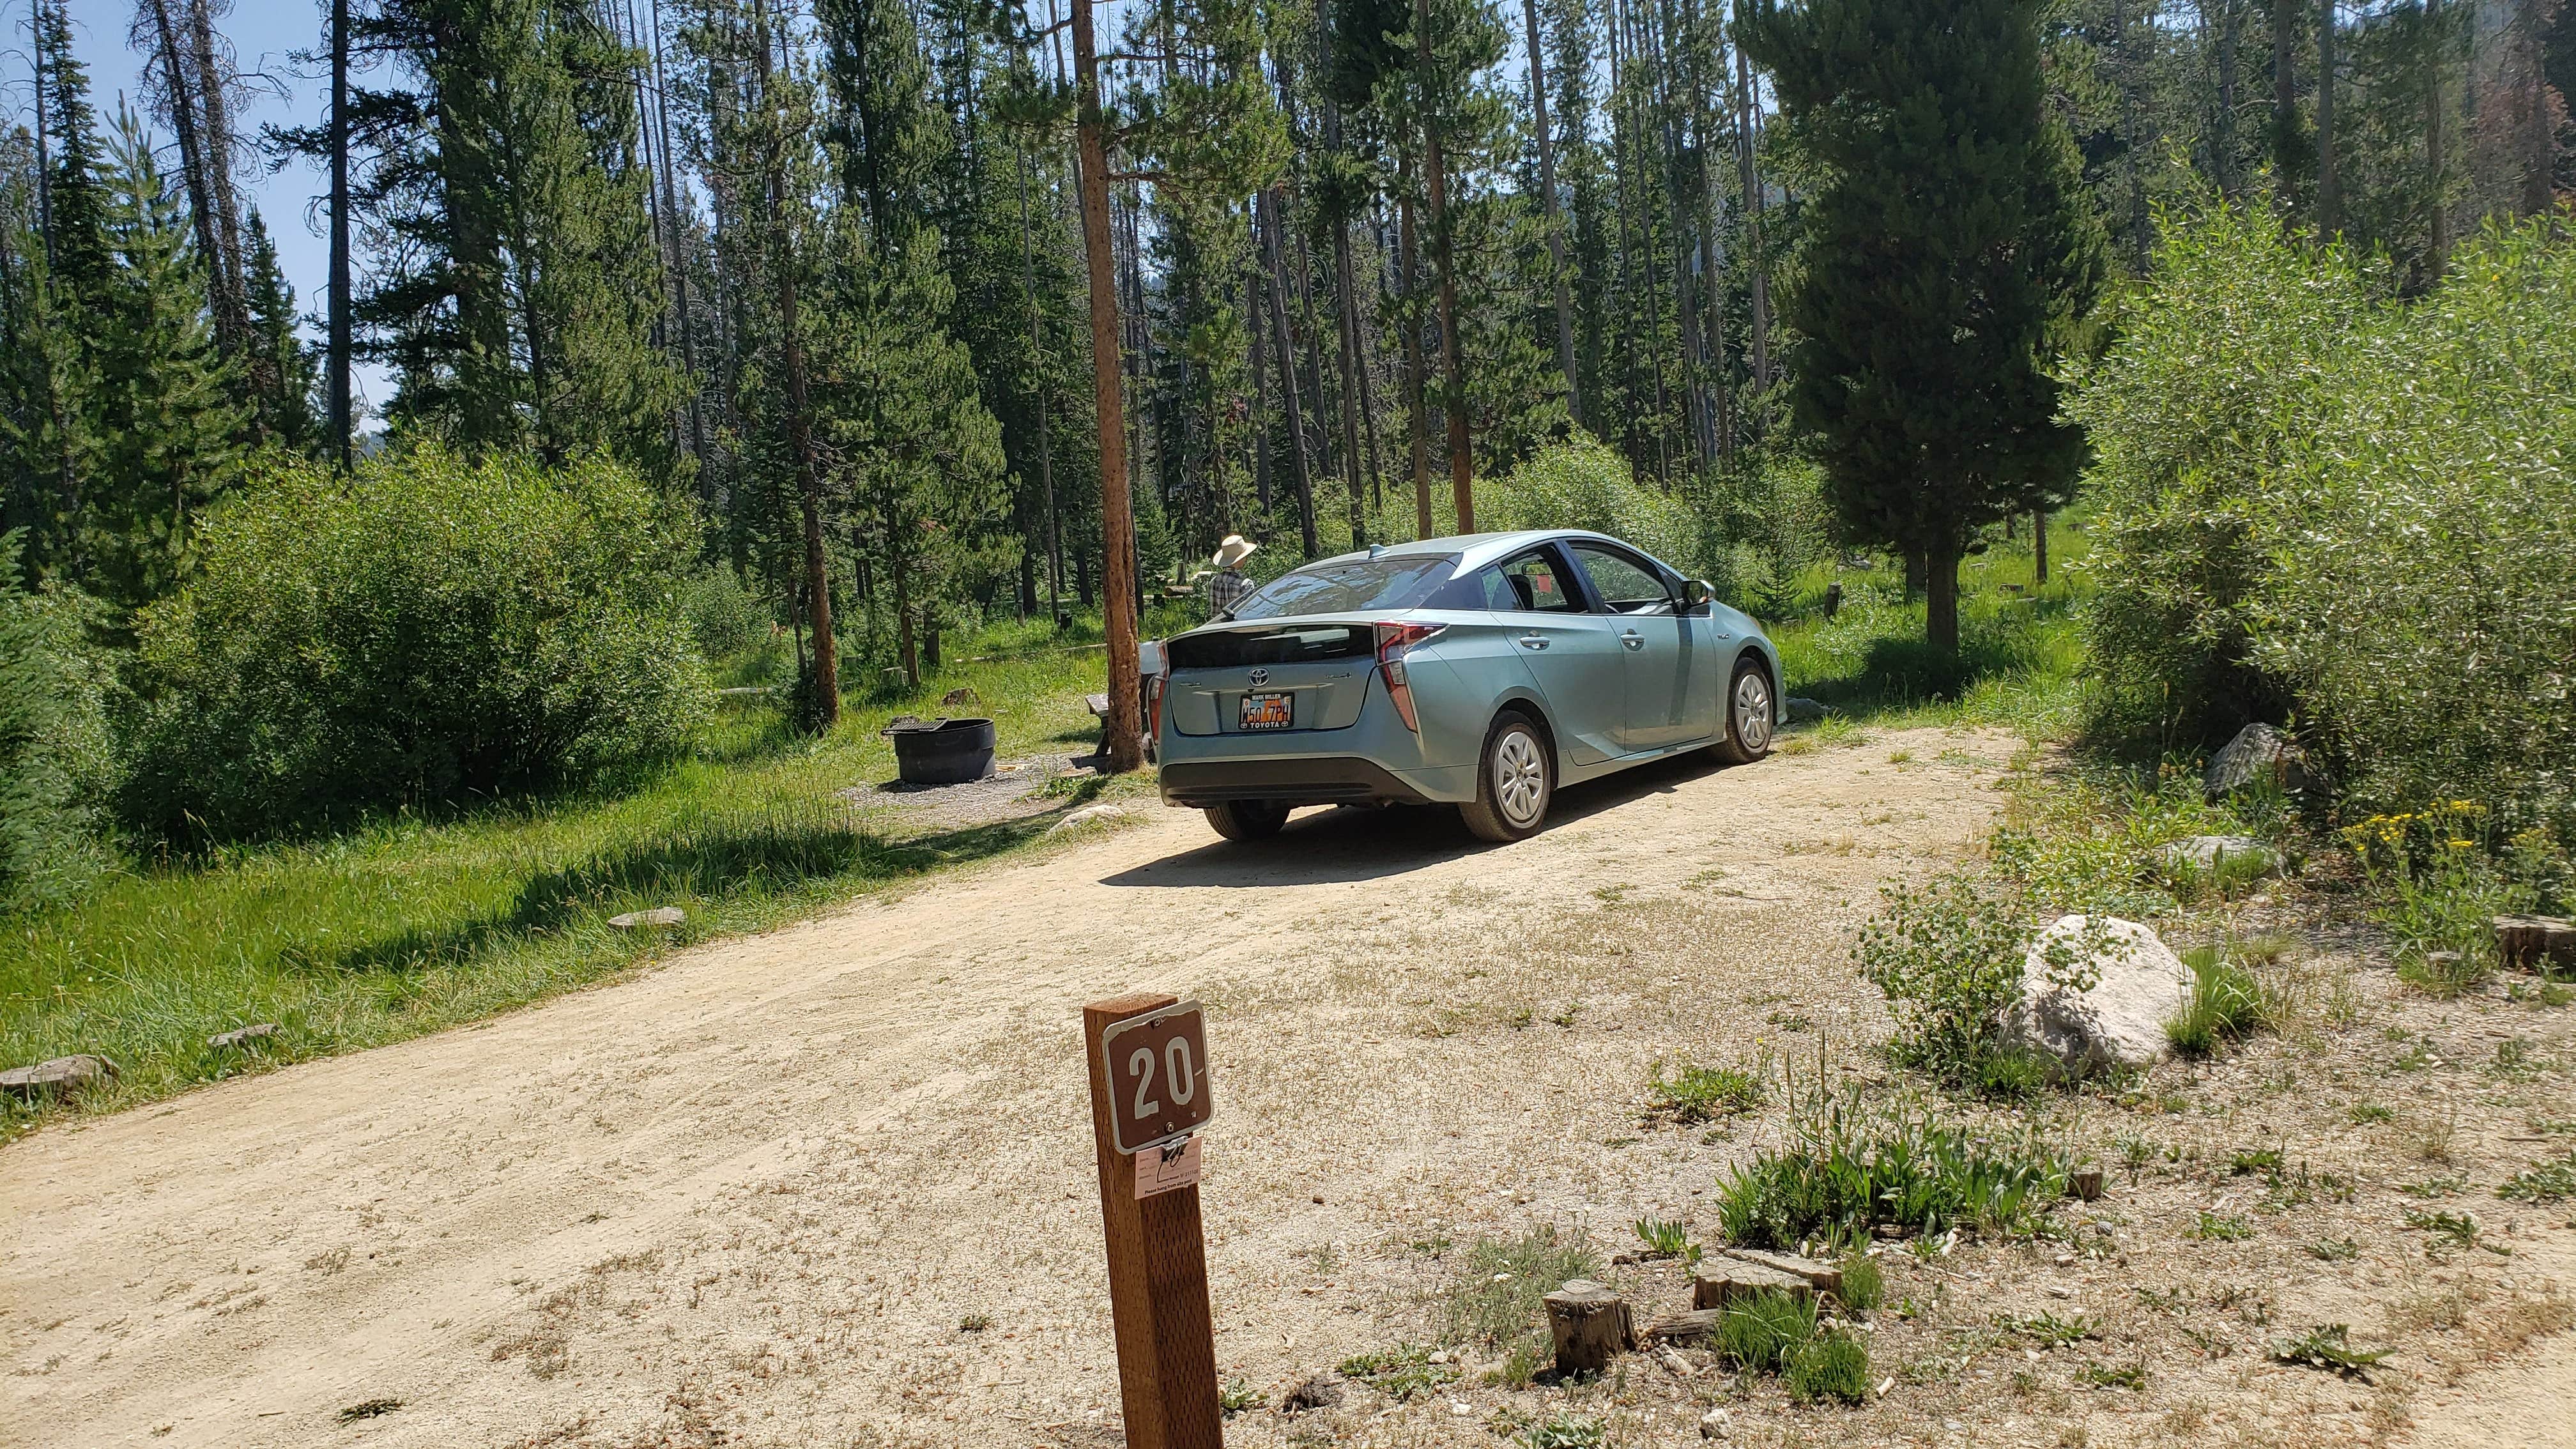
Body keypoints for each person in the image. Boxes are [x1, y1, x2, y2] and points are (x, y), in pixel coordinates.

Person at [1202, 534, 1257, 617]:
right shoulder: (1245, 584)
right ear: (1240, 559)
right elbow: (1249, 614)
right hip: (1238, 628)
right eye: (1245, 556)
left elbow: (1214, 612)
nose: (1246, 559)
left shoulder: (1214, 581)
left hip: (1218, 628)